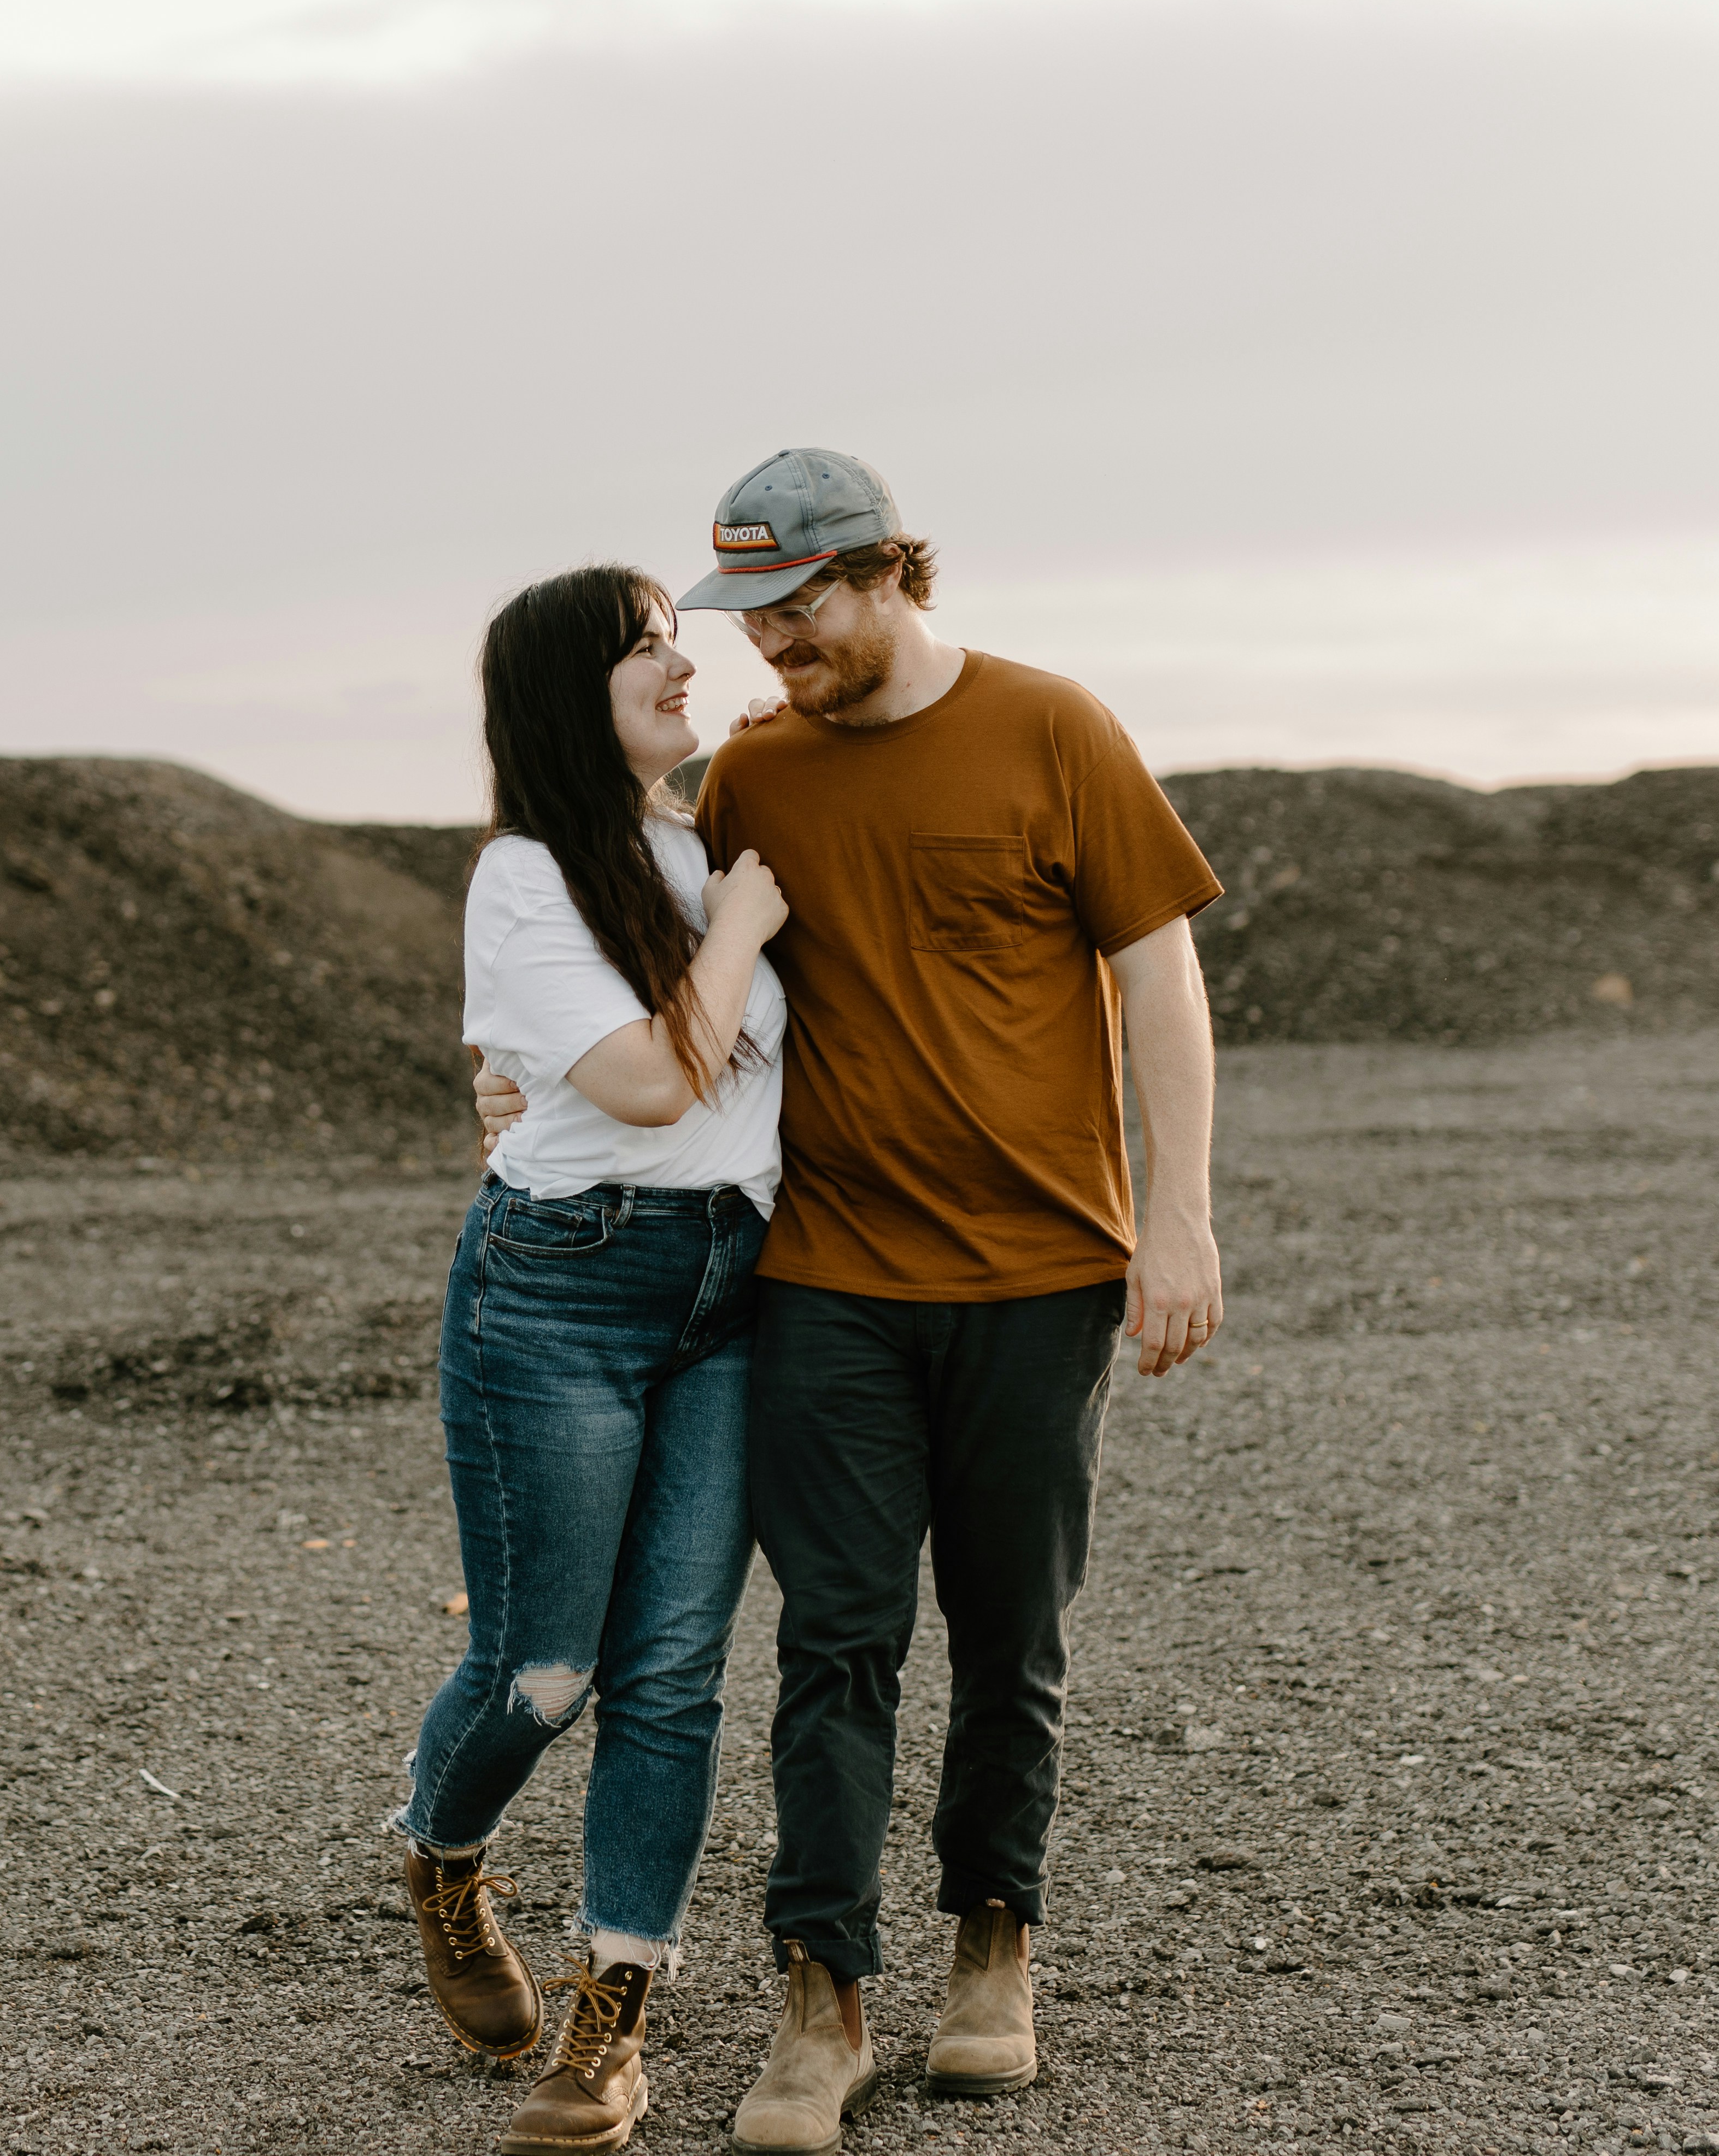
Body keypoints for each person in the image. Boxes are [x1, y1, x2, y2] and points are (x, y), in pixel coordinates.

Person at [474, 450, 1227, 2152]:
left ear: (887, 572)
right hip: (823, 1282)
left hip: (1044, 1277)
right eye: (746, 620)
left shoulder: (1056, 730)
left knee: (1013, 1635)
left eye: (796, 609)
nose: (769, 650)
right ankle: (823, 1997)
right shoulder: (755, 778)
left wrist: (1177, 1223)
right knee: (834, 1642)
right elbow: (622, 935)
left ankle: (994, 1950)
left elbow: (1160, 976)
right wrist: (510, 1074)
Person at [396, 563, 793, 2156]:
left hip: (735, 1289)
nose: (677, 663)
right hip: (561, 1291)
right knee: (541, 1673)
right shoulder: (528, 872)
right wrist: (742, 929)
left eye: (675, 640)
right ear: (569, 690)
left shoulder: (702, 851)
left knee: (677, 1682)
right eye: (644, 647)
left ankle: (610, 2013)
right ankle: (440, 1854)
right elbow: (640, 1080)